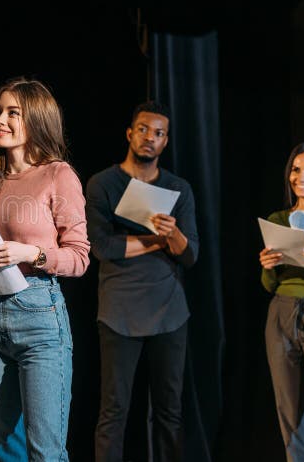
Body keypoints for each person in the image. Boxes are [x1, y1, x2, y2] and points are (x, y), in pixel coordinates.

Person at [0, 77, 90, 461]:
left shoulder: (58, 175)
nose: (0, 120)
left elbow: (79, 257)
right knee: (6, 448)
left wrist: (29, 252)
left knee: (45, 451)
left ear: (37, 120)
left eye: (13, 113)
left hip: (39, 317)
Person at [85, 100, 199, 462]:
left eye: (159, 133)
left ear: (166, 143)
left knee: (169, 411)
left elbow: (191, 254)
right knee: (114, 410)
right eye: (144, 130)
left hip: (169, 310)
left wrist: (173, 234)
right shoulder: (103, 183)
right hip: (119, 310)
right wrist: (156, 241)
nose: (151, 138)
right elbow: (102, 247)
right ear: (130, 133)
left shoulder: (178, 188)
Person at [259, 141, 304, 462]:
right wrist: (268, 267)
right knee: (290, 414)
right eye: (296, 169)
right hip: (282, 313)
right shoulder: (278, 218)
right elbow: (269, 285)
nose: (302, 177)